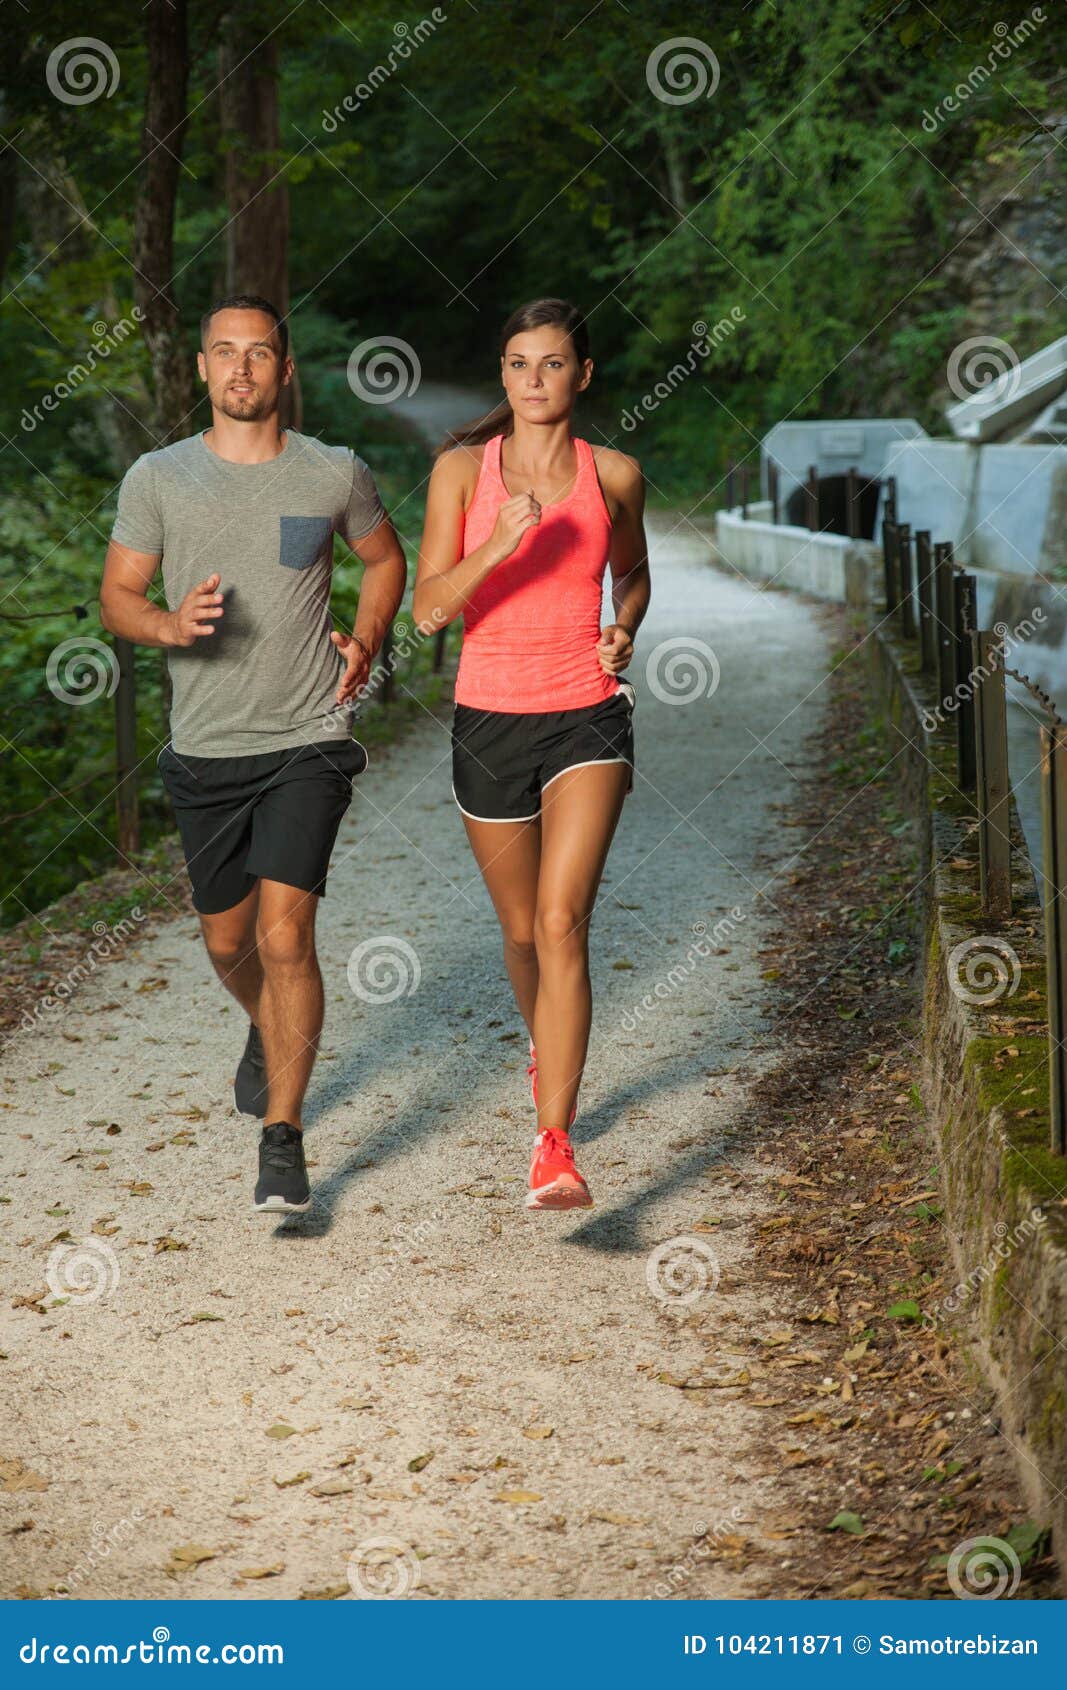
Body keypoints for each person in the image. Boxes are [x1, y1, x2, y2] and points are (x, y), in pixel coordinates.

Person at [100, 295, 406, 1215]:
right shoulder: (158, 477)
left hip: (308, 737)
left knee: (284, 937)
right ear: (201, 368)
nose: (241, 368)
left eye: (259, 352)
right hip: (206, 746)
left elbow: (384, 560)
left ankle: (284, 1138)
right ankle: (266, 1029)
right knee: (228, 940)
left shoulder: (332, 471)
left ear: (285, 369)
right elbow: (118, 596)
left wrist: (366, 637)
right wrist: (168, 625)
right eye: (224, 352)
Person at [413, 297, 650, 1210]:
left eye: (552, 363)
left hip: (587, 716)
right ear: (503, 375)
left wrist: (623, 628)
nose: (534, 380)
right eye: (518, 364)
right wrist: (498, 546)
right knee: (519, 933)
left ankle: (555, 1144)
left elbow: (632, 574)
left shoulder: (613, 474)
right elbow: (429, 611)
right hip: (489, 718)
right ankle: (544, 1052)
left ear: (581, 374)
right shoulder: (461, 472)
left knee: (559, 923)